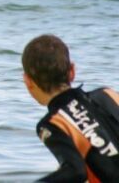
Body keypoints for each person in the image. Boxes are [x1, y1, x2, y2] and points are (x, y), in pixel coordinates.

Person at [22, 34, 119, 182]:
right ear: (72, 71)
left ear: (28, 81)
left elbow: (75, 172)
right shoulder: (107, 94)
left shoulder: (53, 123)